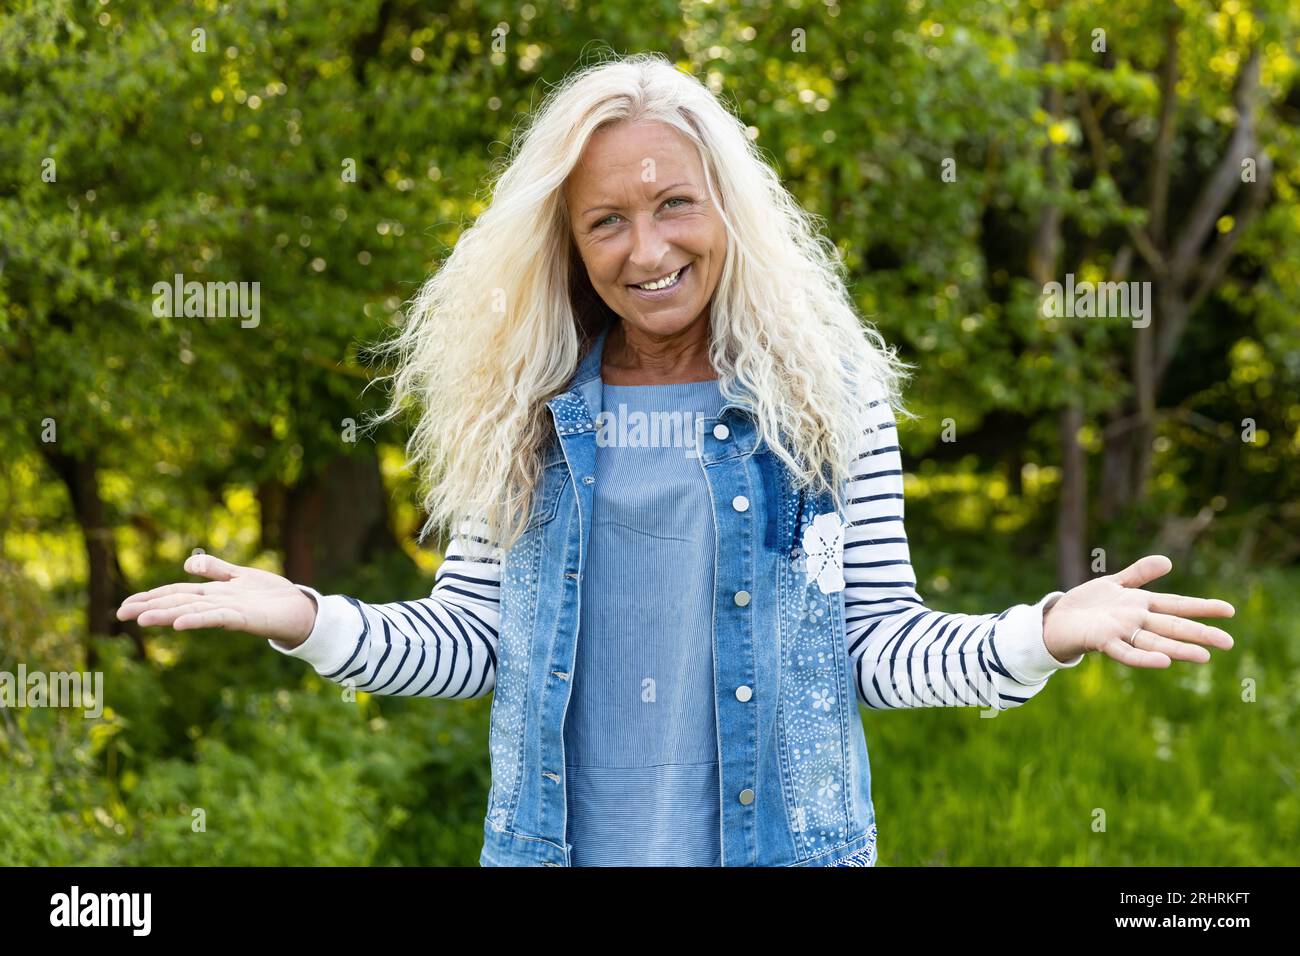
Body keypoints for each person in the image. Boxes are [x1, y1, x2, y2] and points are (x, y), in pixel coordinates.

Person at [117, 53, 1236, 867]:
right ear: (565, 240)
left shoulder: (825, 394)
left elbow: (880, 647)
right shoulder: (527, 408)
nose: (646, 249)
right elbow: (469, 645)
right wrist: (306, 616)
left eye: (672, 205)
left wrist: (1038, 632)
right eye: (605, 220)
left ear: (727, 211)